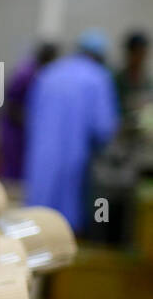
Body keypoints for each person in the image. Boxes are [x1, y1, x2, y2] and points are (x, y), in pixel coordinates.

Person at [24, 28, 119, 230]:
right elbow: (103, 127)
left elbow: (30, 114)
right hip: (74, 155)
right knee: (66, 221)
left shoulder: (49, 72)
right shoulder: (98, 78)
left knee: (38, 213)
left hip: (41, 155)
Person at [0, 42, 57, 181]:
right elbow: (11, 106)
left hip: (21, 129)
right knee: (13, 171)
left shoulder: (38, 73)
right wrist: (32, 121)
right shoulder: (26, 74)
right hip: (14, 131)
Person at [114, 30, 149, 122]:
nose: (139, 58)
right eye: (136, 53)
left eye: (142, 53)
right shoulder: (119, 80)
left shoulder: (147, 80)